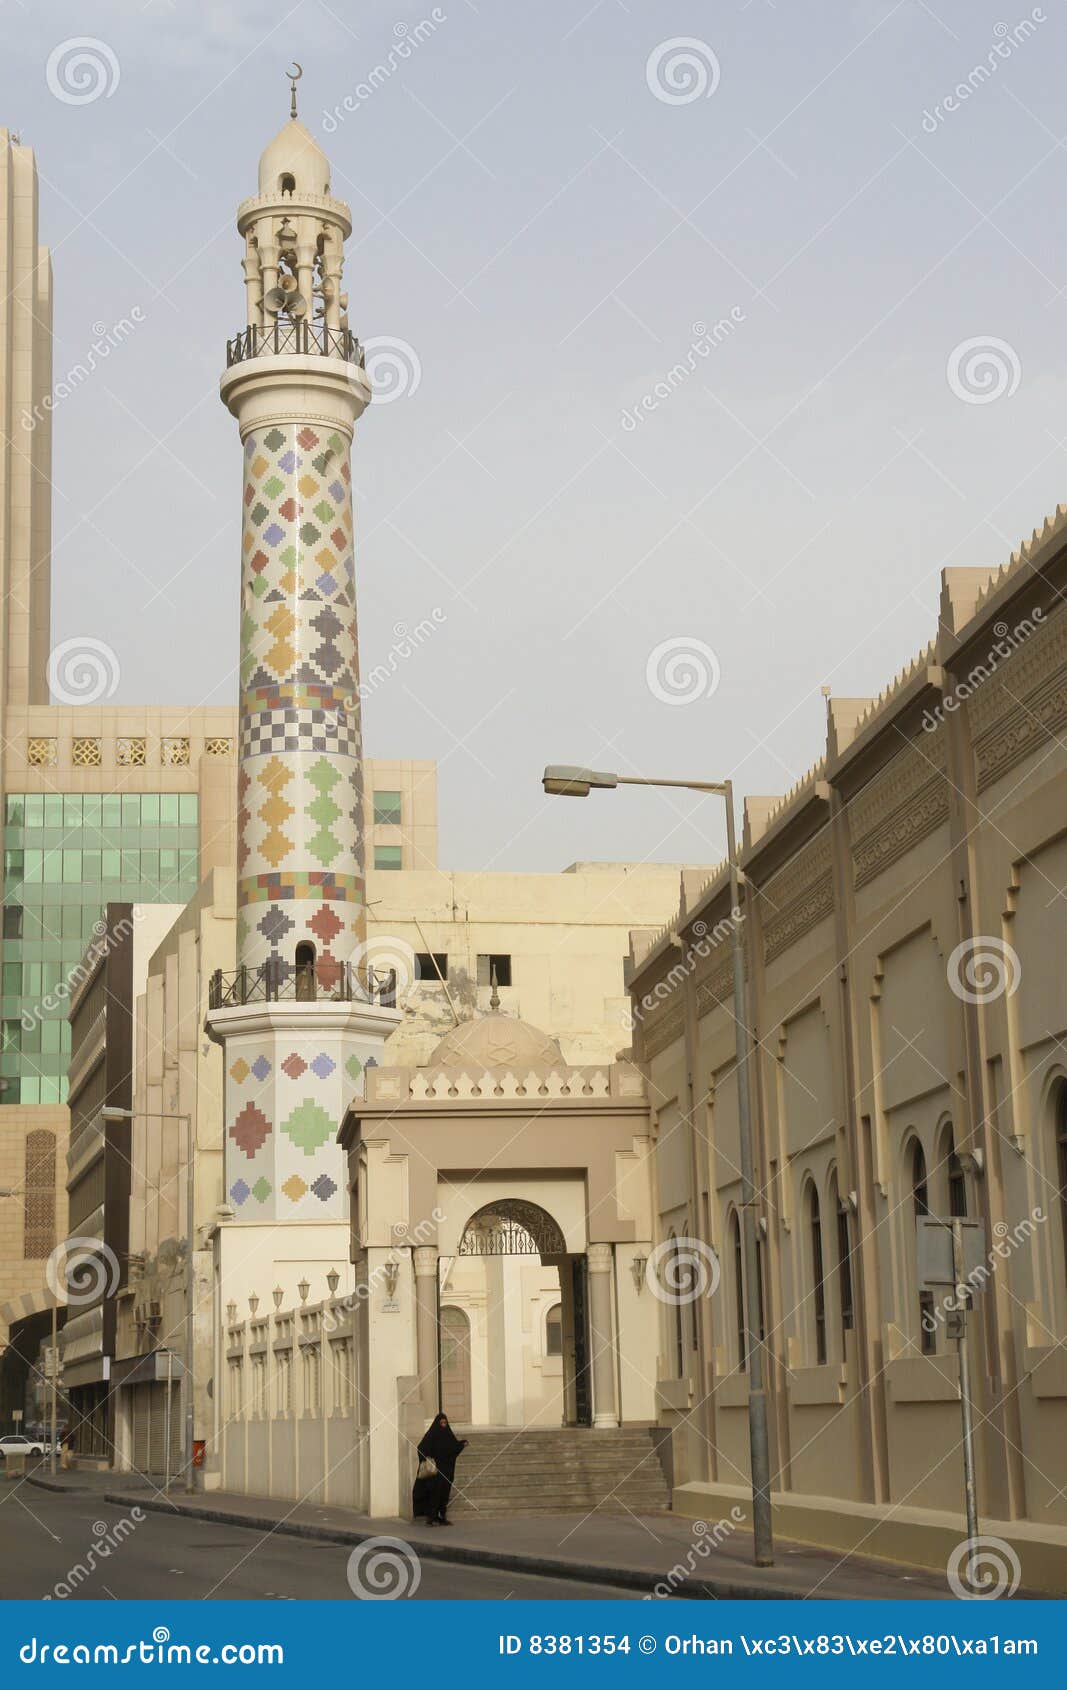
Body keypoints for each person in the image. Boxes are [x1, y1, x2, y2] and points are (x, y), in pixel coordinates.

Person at [414, 1413, 467, 1526]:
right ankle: (431, 1517)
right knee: (434, 1494)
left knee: (444, 1494)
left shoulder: (448, 1435)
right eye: (441, 1423)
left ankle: (442, 1517)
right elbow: (421, 1448)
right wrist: (428, 1459)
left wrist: (462, 1444)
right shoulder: (432, 1434)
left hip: (447, 1471)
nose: (443, 1425)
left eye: (445, 1423)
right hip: (435, 1472)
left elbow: (453, 1447)